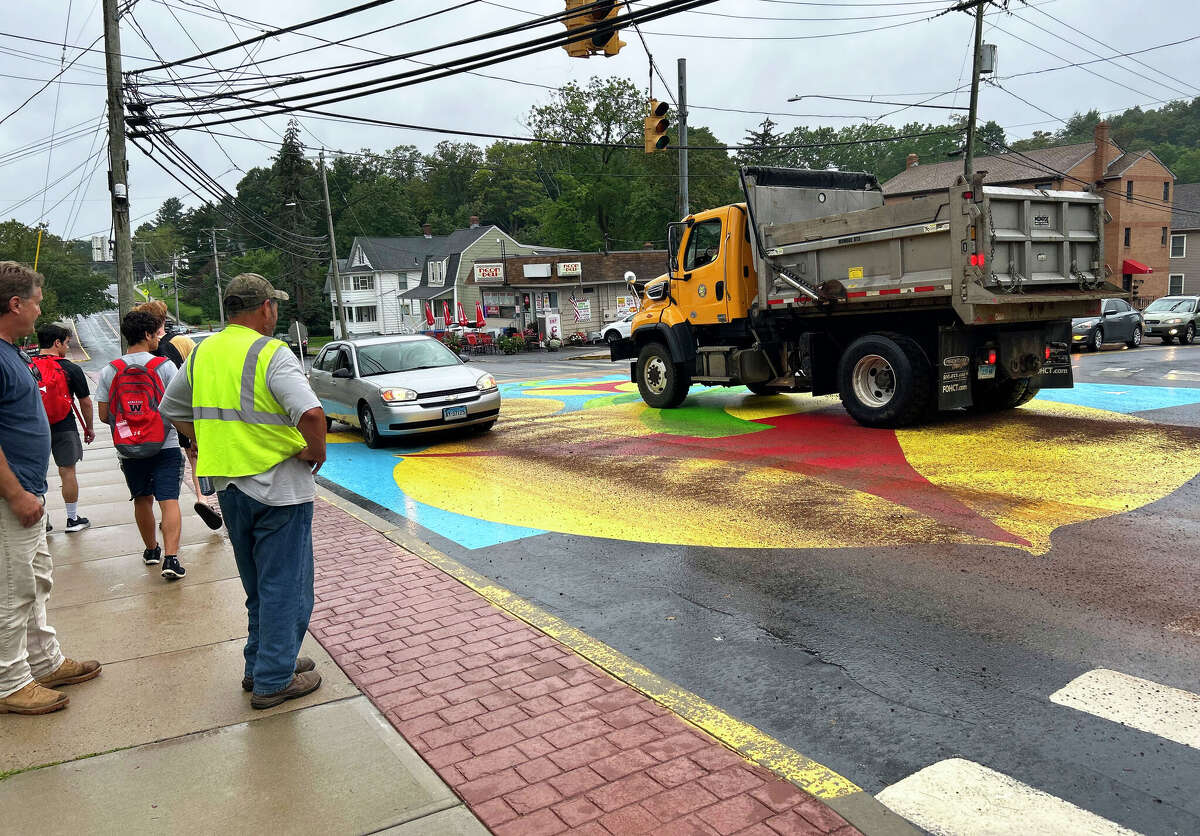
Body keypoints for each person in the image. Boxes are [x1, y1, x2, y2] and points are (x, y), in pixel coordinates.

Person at [162, 274, 326, 709]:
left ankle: (263, 665)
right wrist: (315, 452)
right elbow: (310, 412)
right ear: (265, 308)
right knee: (288, 586)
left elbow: (171, 407)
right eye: (275, 306)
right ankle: (275, 678)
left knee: (258, 584)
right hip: (278, 485)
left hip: (229, 487)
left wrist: (198, 440)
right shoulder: (272, 352)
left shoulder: (204, 352)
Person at [0, 262, 100, 715]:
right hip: (11, 496)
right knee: (12, 588)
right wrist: (17, 493)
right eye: (36, 302)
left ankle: (43, 661)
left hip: (28, 489)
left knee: (36, 581)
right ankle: (9, 682)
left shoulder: (10, 352)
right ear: (15, 303)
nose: (40, 312)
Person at [97, 310, 186, 580]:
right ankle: (171, 558)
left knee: (142, 499)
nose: (160, 337)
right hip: (165, 444)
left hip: (129, 448)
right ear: (147, 334)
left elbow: (103, 415)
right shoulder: (164, 366)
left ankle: (151, 550)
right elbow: (179, 408)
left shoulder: (110, 370)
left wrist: (131, 423)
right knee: (168, 500)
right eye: (157, 333)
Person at [132, 302, 222, 530]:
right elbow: (201, 370)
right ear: (164, 319)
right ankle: (205, 498)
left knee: (170, 462)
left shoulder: (144, 347)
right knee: (196, 455)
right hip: (186, 409)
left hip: (154, 416)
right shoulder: (180, 342)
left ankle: (170, 511)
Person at [33, 323, 95, 533]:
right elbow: (85, 402)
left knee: (34, 474)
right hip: (64, 426)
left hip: (33, 428)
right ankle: (72, 519)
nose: (67, 348)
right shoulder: (70, 368)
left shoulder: (26, 366)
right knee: (67, 472)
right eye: (66, 343)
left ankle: (42, 518)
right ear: (57, 342)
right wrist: (89, 427)